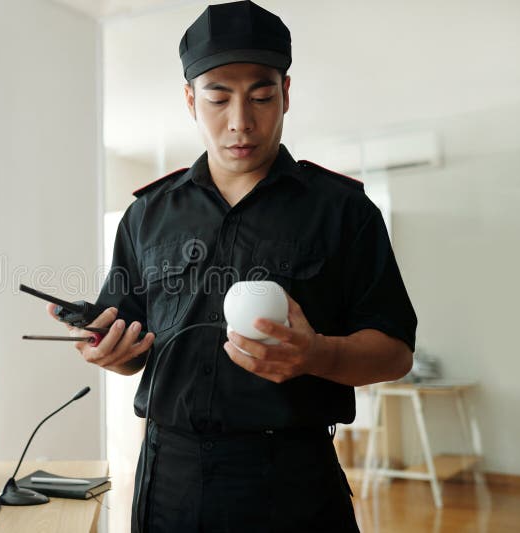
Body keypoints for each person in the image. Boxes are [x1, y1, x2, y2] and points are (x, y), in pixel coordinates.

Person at [47, 1, 417, 531]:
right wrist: (110, 352)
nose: (240, 122)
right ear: (190, 99)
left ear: (286, 94)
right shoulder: (147, 214)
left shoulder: (344, 212)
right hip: (167, 478)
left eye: (262, 96)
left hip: (291, 481)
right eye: (218, 98)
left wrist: (315, 354)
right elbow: (130, 345)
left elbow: (395, 352)